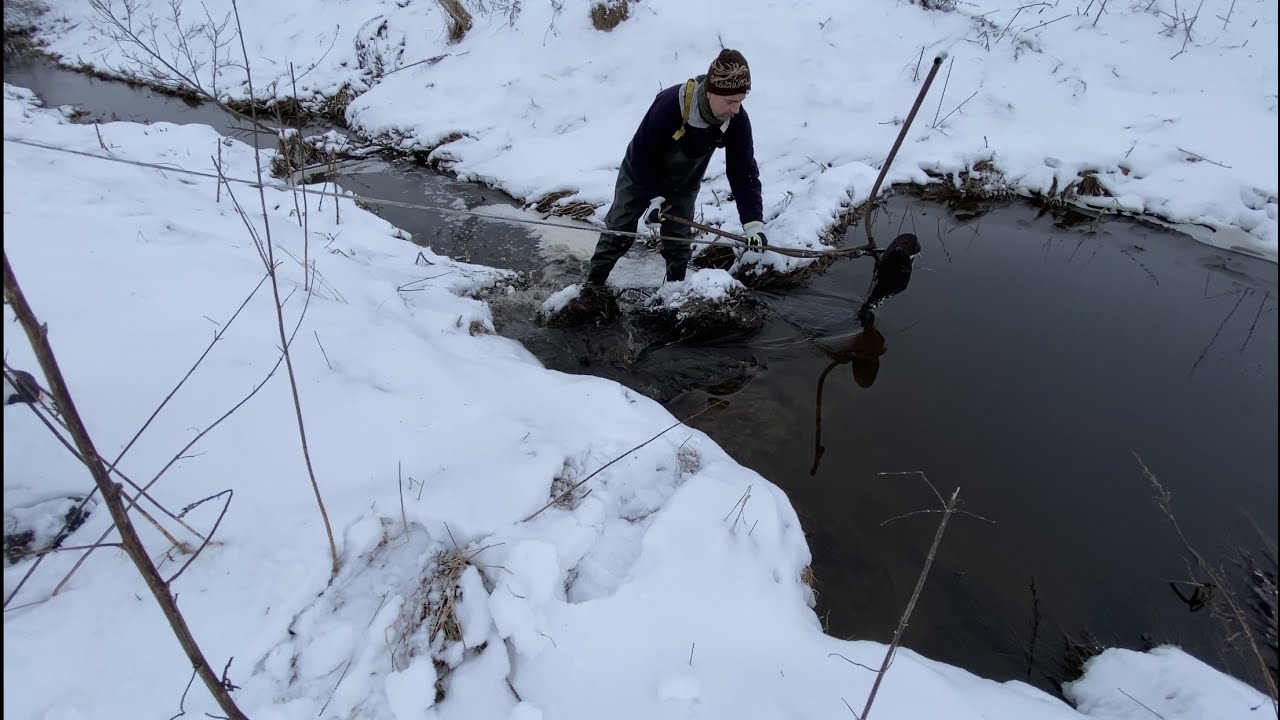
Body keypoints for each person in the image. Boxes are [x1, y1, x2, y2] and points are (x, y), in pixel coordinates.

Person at [585, 49, 767, 288]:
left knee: (678, 243)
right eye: (731, 101)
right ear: (711, 92)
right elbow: (642, 154)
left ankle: (673, 294)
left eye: (741, 101)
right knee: (619, 231)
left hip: (684, 182)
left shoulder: (736, 121)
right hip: (640, 172)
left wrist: (753, 224)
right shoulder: (671, 104)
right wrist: (653, 198)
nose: (735, 109)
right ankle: (592, 286)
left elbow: (743, 172)